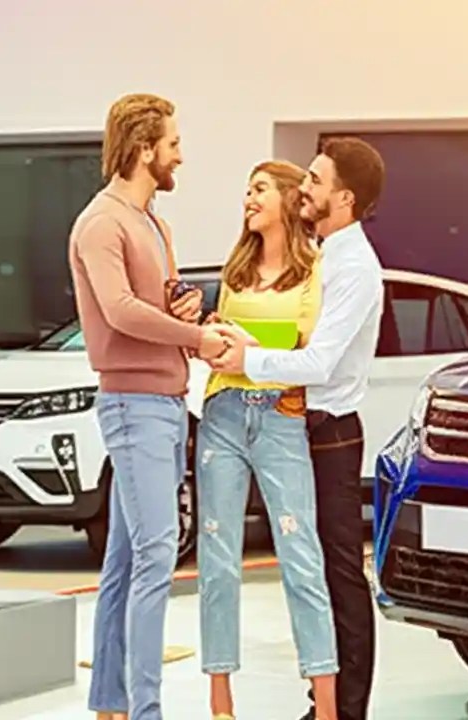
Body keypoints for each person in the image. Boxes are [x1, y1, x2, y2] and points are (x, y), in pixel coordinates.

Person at [70, 93, 233, 720]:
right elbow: (119, 312)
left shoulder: (155, 225)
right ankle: (146, 711)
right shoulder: (100, 223)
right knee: (158, 554)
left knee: (125, 561)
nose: (180, 156)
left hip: (165, 406)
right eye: (172, 144)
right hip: (132, 406)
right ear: (144, 149)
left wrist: (184, 309)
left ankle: (109, 702)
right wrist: (197, 337)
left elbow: (153, 305)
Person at [211, 136, 385, 720]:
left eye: (313, 180)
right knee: (306, 568)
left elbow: (318, 363)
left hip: (327, 431)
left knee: (336, 572)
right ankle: (324, 703)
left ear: (345, 196)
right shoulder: (314, 256)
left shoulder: (356, 268)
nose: (303, 188)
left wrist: (246, 359)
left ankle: (345, 711)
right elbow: (292, 337)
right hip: (285, 423)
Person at [195, 160, 339, 720]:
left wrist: (246, 343)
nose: (247, 199)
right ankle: (220, 703)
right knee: (218, 559)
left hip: (281, 415)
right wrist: (210, 335)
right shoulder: (234, 272)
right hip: (222, 413)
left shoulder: (313, 273)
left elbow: (307, 349)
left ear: (284, 199)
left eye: (257, 190)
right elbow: (228, 348)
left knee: (302, 559)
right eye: (246, 190)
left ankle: (325, 707)